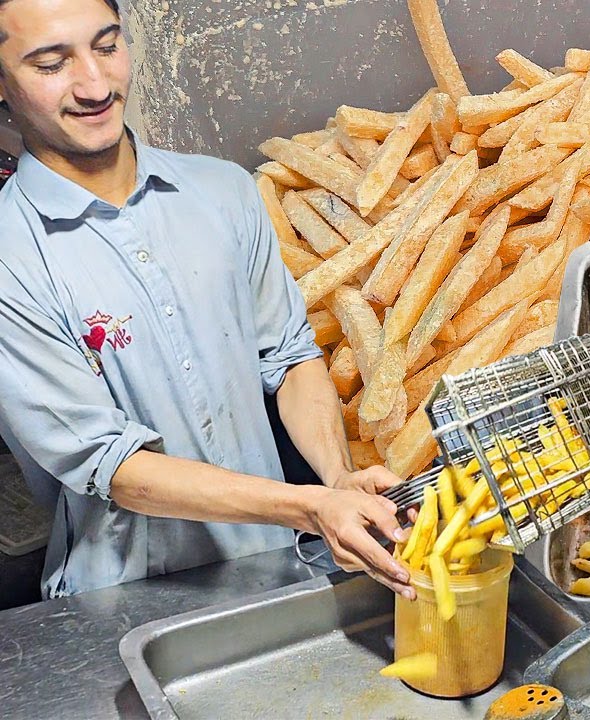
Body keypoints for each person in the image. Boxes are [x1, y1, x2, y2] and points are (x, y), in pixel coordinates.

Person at [0, 0, 416, 599]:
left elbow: (291, 358)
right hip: (125, 600)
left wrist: (338, 477)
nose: (94, 84)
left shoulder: (223, 192)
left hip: (278, 566)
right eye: (50, 64)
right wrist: (310, 506)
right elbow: (115, 469)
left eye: (108, 46)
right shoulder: (13, 257)